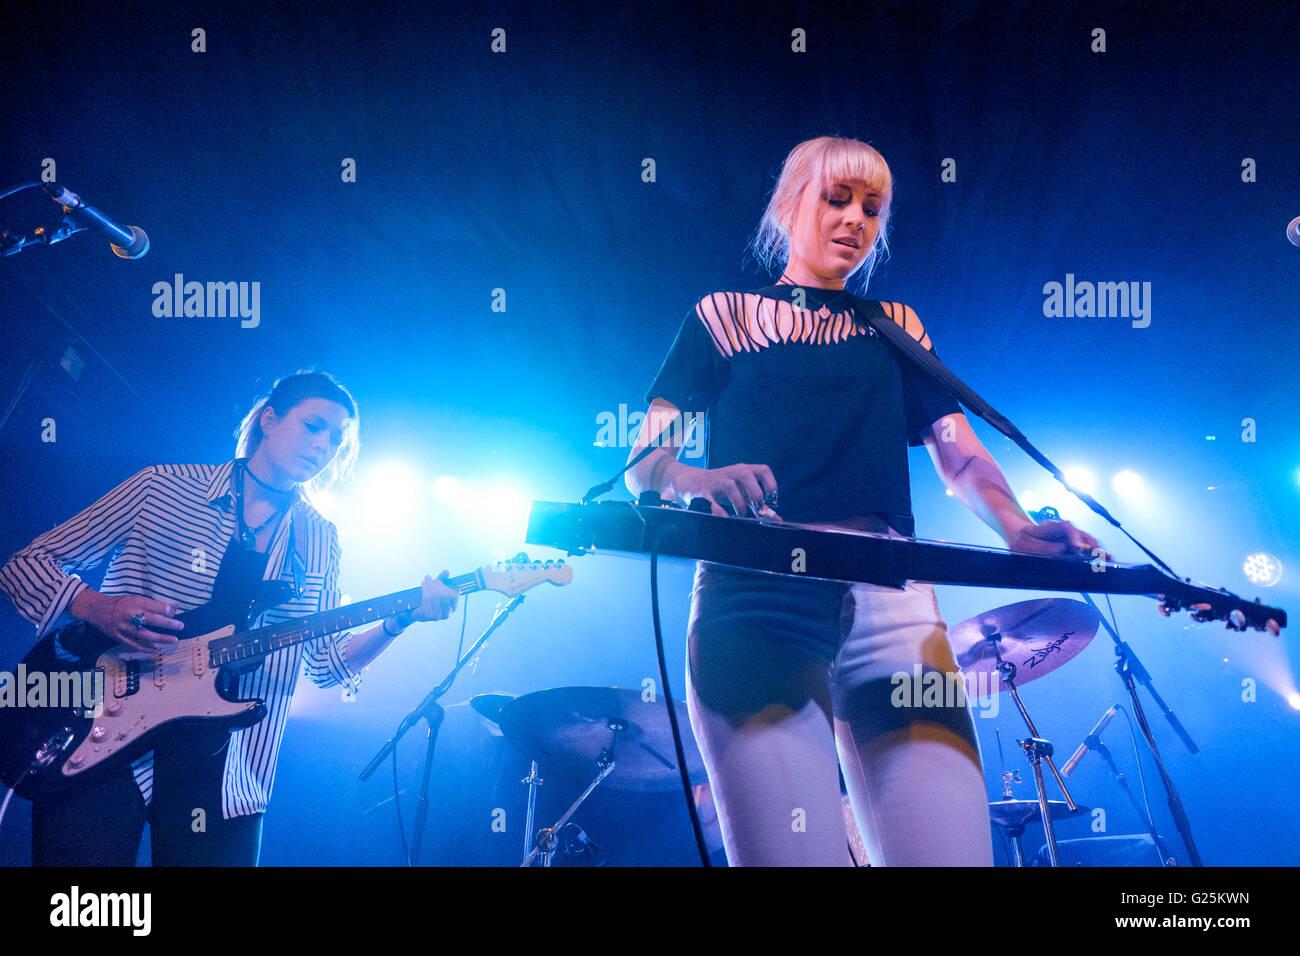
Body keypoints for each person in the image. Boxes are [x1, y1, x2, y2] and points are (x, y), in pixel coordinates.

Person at [625, 136, 1109, 866]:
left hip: (898, 607)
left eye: (873, 208)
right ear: (790, 206)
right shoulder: (723, 316)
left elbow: (960, 452)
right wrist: (692, 478)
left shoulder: (897, 328)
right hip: (757, 602)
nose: (856, 219)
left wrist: (1014, 526)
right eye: (837, 198)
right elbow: (641, 463)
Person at [0, 371, 461, 866]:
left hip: (227, 770)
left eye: (338, 437)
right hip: (100, 734)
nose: (325, 444)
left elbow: (328, 665)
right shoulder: (162, 488)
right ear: (269, 419)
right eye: (314, 425)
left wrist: (400, 620)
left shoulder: (319, 538)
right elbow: (26, 566)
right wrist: (100, 607)